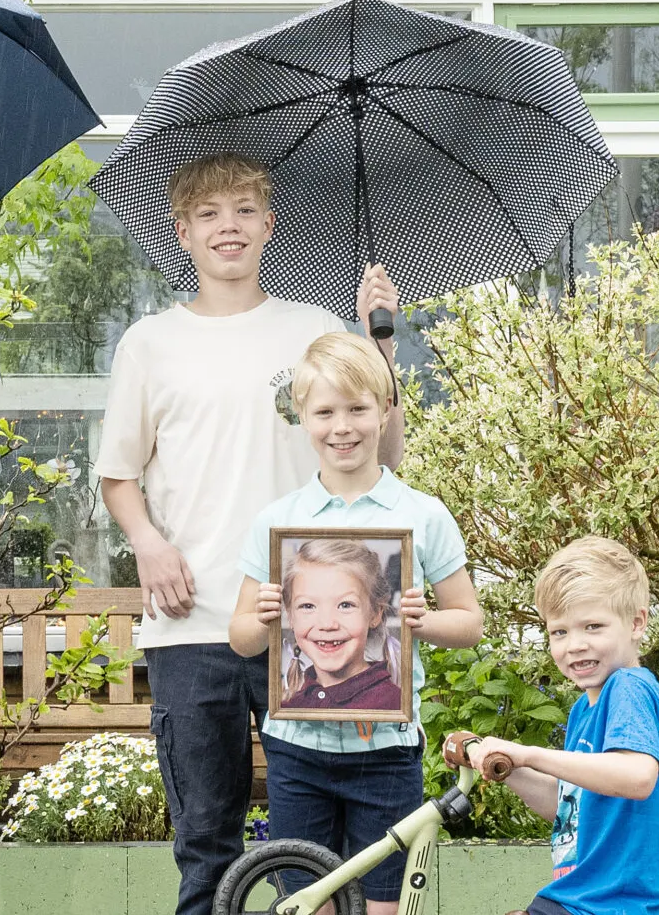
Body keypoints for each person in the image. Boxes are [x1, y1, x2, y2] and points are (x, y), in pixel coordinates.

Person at [95, 153, 402, 915]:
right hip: (193, 621)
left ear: (270, 224)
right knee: (206, 839)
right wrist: (149, 541)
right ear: (182, 233)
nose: (226, 227)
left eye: (242, 210)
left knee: (326, 848)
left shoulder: (315, 329)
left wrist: (381, 351)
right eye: (207, 214)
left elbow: (382, 458)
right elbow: (117, 475)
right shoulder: (149, 343)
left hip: (314, 627)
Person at [227, 332, 484, 915]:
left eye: (357, 409)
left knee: (383, 907)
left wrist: (425, 621)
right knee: (307, 903)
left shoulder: (422, 514)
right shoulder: (278, 520)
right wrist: (264, 617)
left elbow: (470, 621)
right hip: (297, 752)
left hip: (386, 753)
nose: (341, 427)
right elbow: (240, 637)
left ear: (384, 409)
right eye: (324, 412)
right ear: (302, 417)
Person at [469, 537, 659, 915]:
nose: (574, 644)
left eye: (593, 626)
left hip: (612, 904)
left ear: (637, 623)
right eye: (559, 632)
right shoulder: (586, 707)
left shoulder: (629, 688)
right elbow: (570, 807)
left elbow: (637, 777)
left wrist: (531, 753)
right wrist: (509, 767)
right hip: (578, 898)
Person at [273, 537, 404, 713]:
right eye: (308, 606)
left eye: (345, 605)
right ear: (290, 615)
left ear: (375, 613)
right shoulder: (288, 706)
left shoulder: (394, 703)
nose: (327, 624)